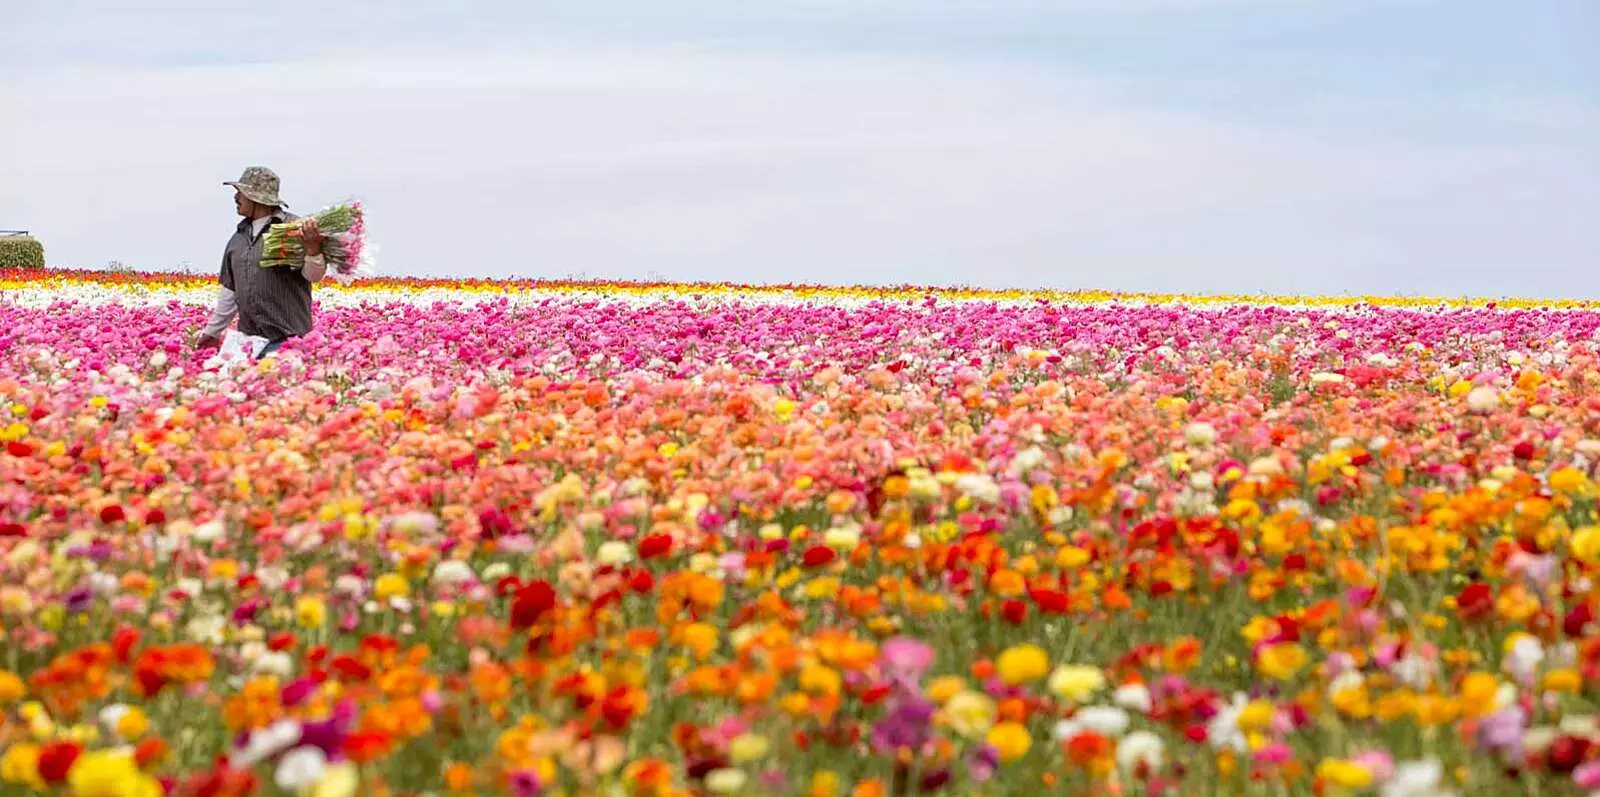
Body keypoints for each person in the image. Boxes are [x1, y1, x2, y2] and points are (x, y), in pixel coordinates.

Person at [195, 167, 326, 358]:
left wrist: (313, 249)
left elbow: (314, 276)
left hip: (287, 341)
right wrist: (212, 332)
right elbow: (230, 292)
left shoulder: (292, 229)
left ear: (255, 197)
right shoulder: (238, 238)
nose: (236, 197)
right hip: (248, 343)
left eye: (240, 193)